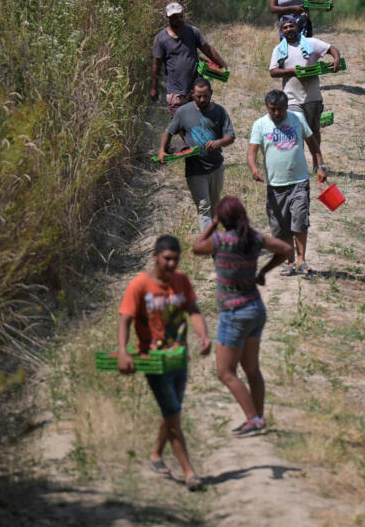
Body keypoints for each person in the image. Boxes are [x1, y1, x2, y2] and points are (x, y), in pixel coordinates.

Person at [191, 196, 293, 437]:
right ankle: (258, 417)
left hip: (233, 312)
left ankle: (252, 419)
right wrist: (264, 271)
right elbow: (287, 250)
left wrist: (212, 223)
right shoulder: (254, 238)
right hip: (255, 309)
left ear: (223, 219)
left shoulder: (220, 240)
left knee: (225, 372)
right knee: (252, 368)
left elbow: (196, 247)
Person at [116, 235, 212, 491]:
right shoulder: (139, 285)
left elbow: (193, 309)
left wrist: (203, 336)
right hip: (153, 361)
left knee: (173, 410)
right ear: (155, 257)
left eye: (175, 259)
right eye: (167, 259)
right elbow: (125, 319)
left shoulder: (181, 281)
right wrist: (123, 352)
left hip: (178, 358)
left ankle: (156, 455)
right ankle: (189, 473)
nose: (171, 264)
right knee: (172, 413)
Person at [247, 90, 327, 277]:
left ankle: (302, 260)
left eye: (280, 110)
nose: (276, 114)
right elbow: (252, 151)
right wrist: (253, 168)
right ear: (267, 108)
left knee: (299, 220)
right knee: (280, 226)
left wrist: (320, 165)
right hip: (275, 185)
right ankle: (290, 262)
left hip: (299, 180)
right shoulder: (260, 124)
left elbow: (312, 143)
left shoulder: (297, 118)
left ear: (286, 107)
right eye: (272, 110)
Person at [159, 77, 236, 231]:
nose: (202, 99)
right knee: (203, 207)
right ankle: (211, 246)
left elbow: (231, 137)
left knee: (215, 206)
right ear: (192, 93)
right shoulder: (183, 112)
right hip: (195, 170)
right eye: (198, 96)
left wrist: (218, 143)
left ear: (211, 93)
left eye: (205, 96)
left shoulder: (219, 112)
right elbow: (168, 132)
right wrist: (162, 151)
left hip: (216, 167)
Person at [269, 15, 341, 170]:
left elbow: (331, 48)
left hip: (313, 97)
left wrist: (336, 59)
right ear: (281, 31)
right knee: (295, 131)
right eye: (285, 27)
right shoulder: (279, 50)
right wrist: (292, 71)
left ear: (297, 27)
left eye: (291, 26)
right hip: (292, 99)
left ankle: (317, 163)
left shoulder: (310, 42)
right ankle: (299, 164)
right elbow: (273, 71)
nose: (288, 29)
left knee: (314, 131)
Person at [151, 2, 228, 117]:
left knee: (199, 120)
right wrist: (154, 88)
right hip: (176, 90)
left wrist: (222, 65)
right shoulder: (161, 39)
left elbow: (207, 50)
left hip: (196, 87)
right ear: (168, 18)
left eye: (180, 16)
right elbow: (156, 65)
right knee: (180, 122)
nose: (178, 19)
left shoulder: (193, 32)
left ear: (183, 15)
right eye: (174, 17)